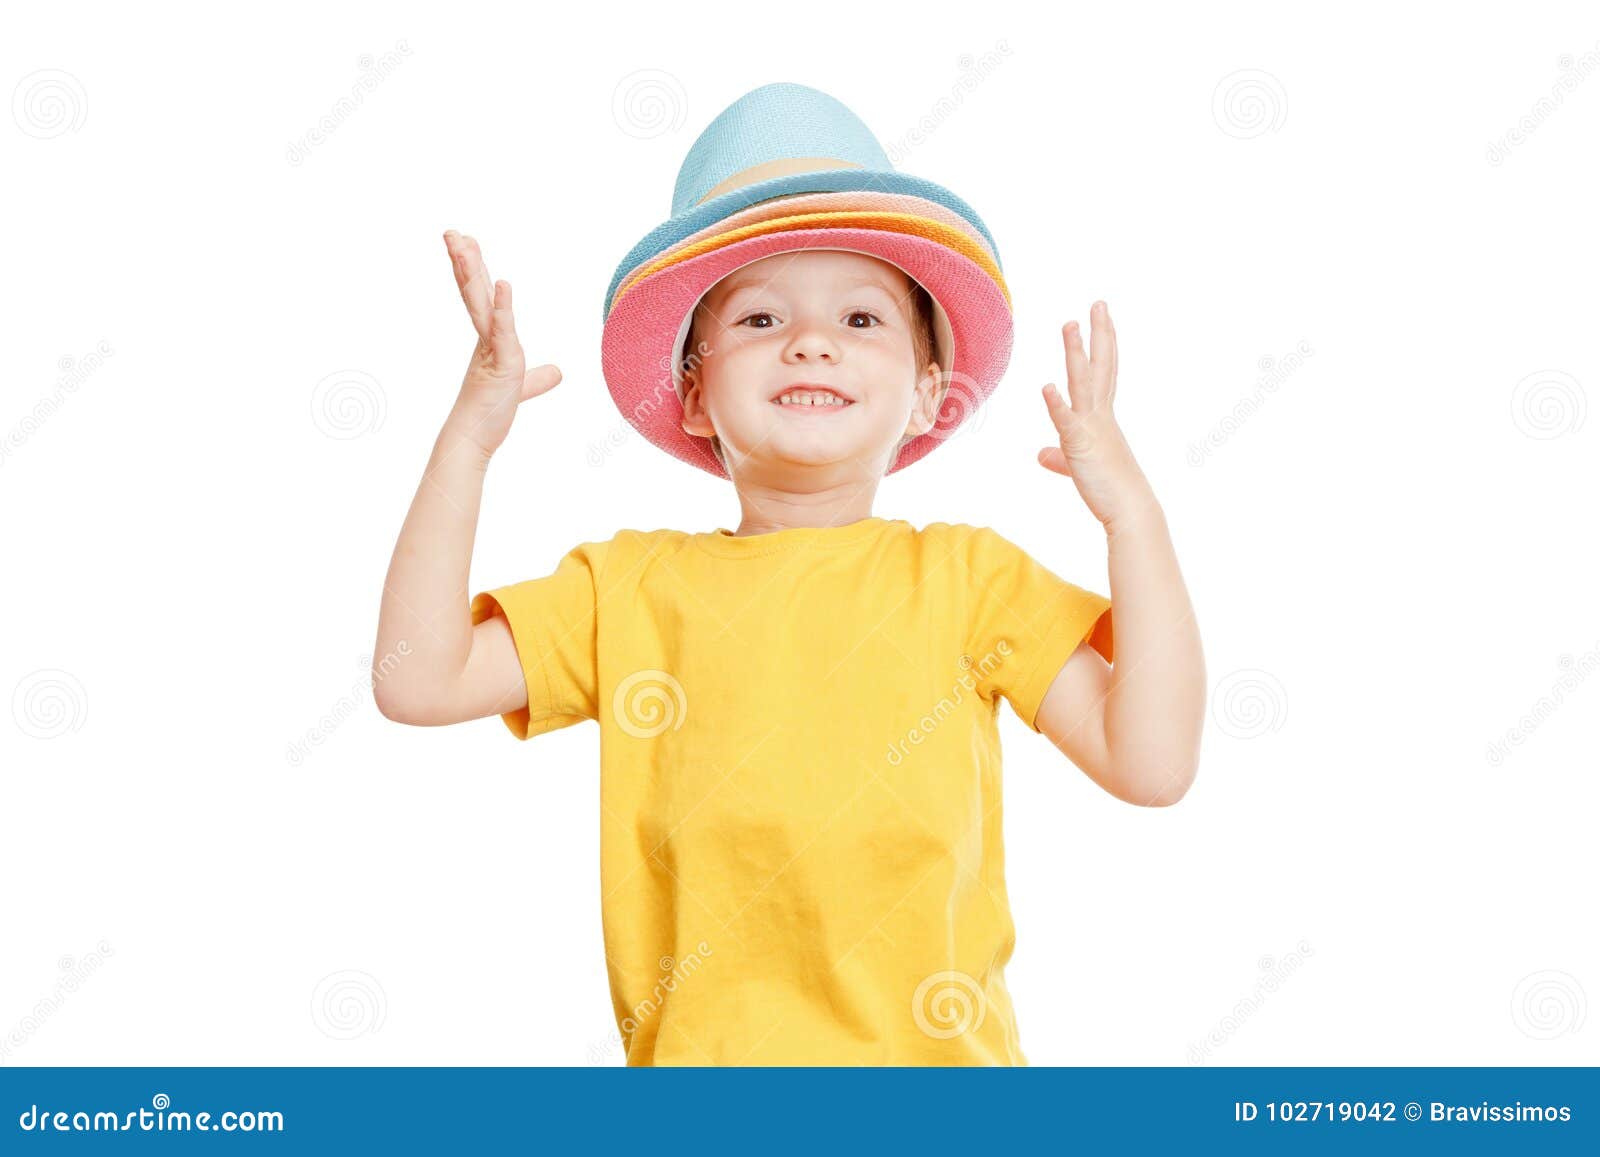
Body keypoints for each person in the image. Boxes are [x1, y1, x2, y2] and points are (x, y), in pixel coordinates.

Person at [372, 82, 1204, 1065]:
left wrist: (1133, 519)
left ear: (927, 391)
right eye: (762, 319)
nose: (812, 339)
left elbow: (1149, 762)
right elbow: (417, 678)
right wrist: (469, 440)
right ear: (692, 391)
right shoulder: (627, 589)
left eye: (860, 318)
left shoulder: (972, 579)